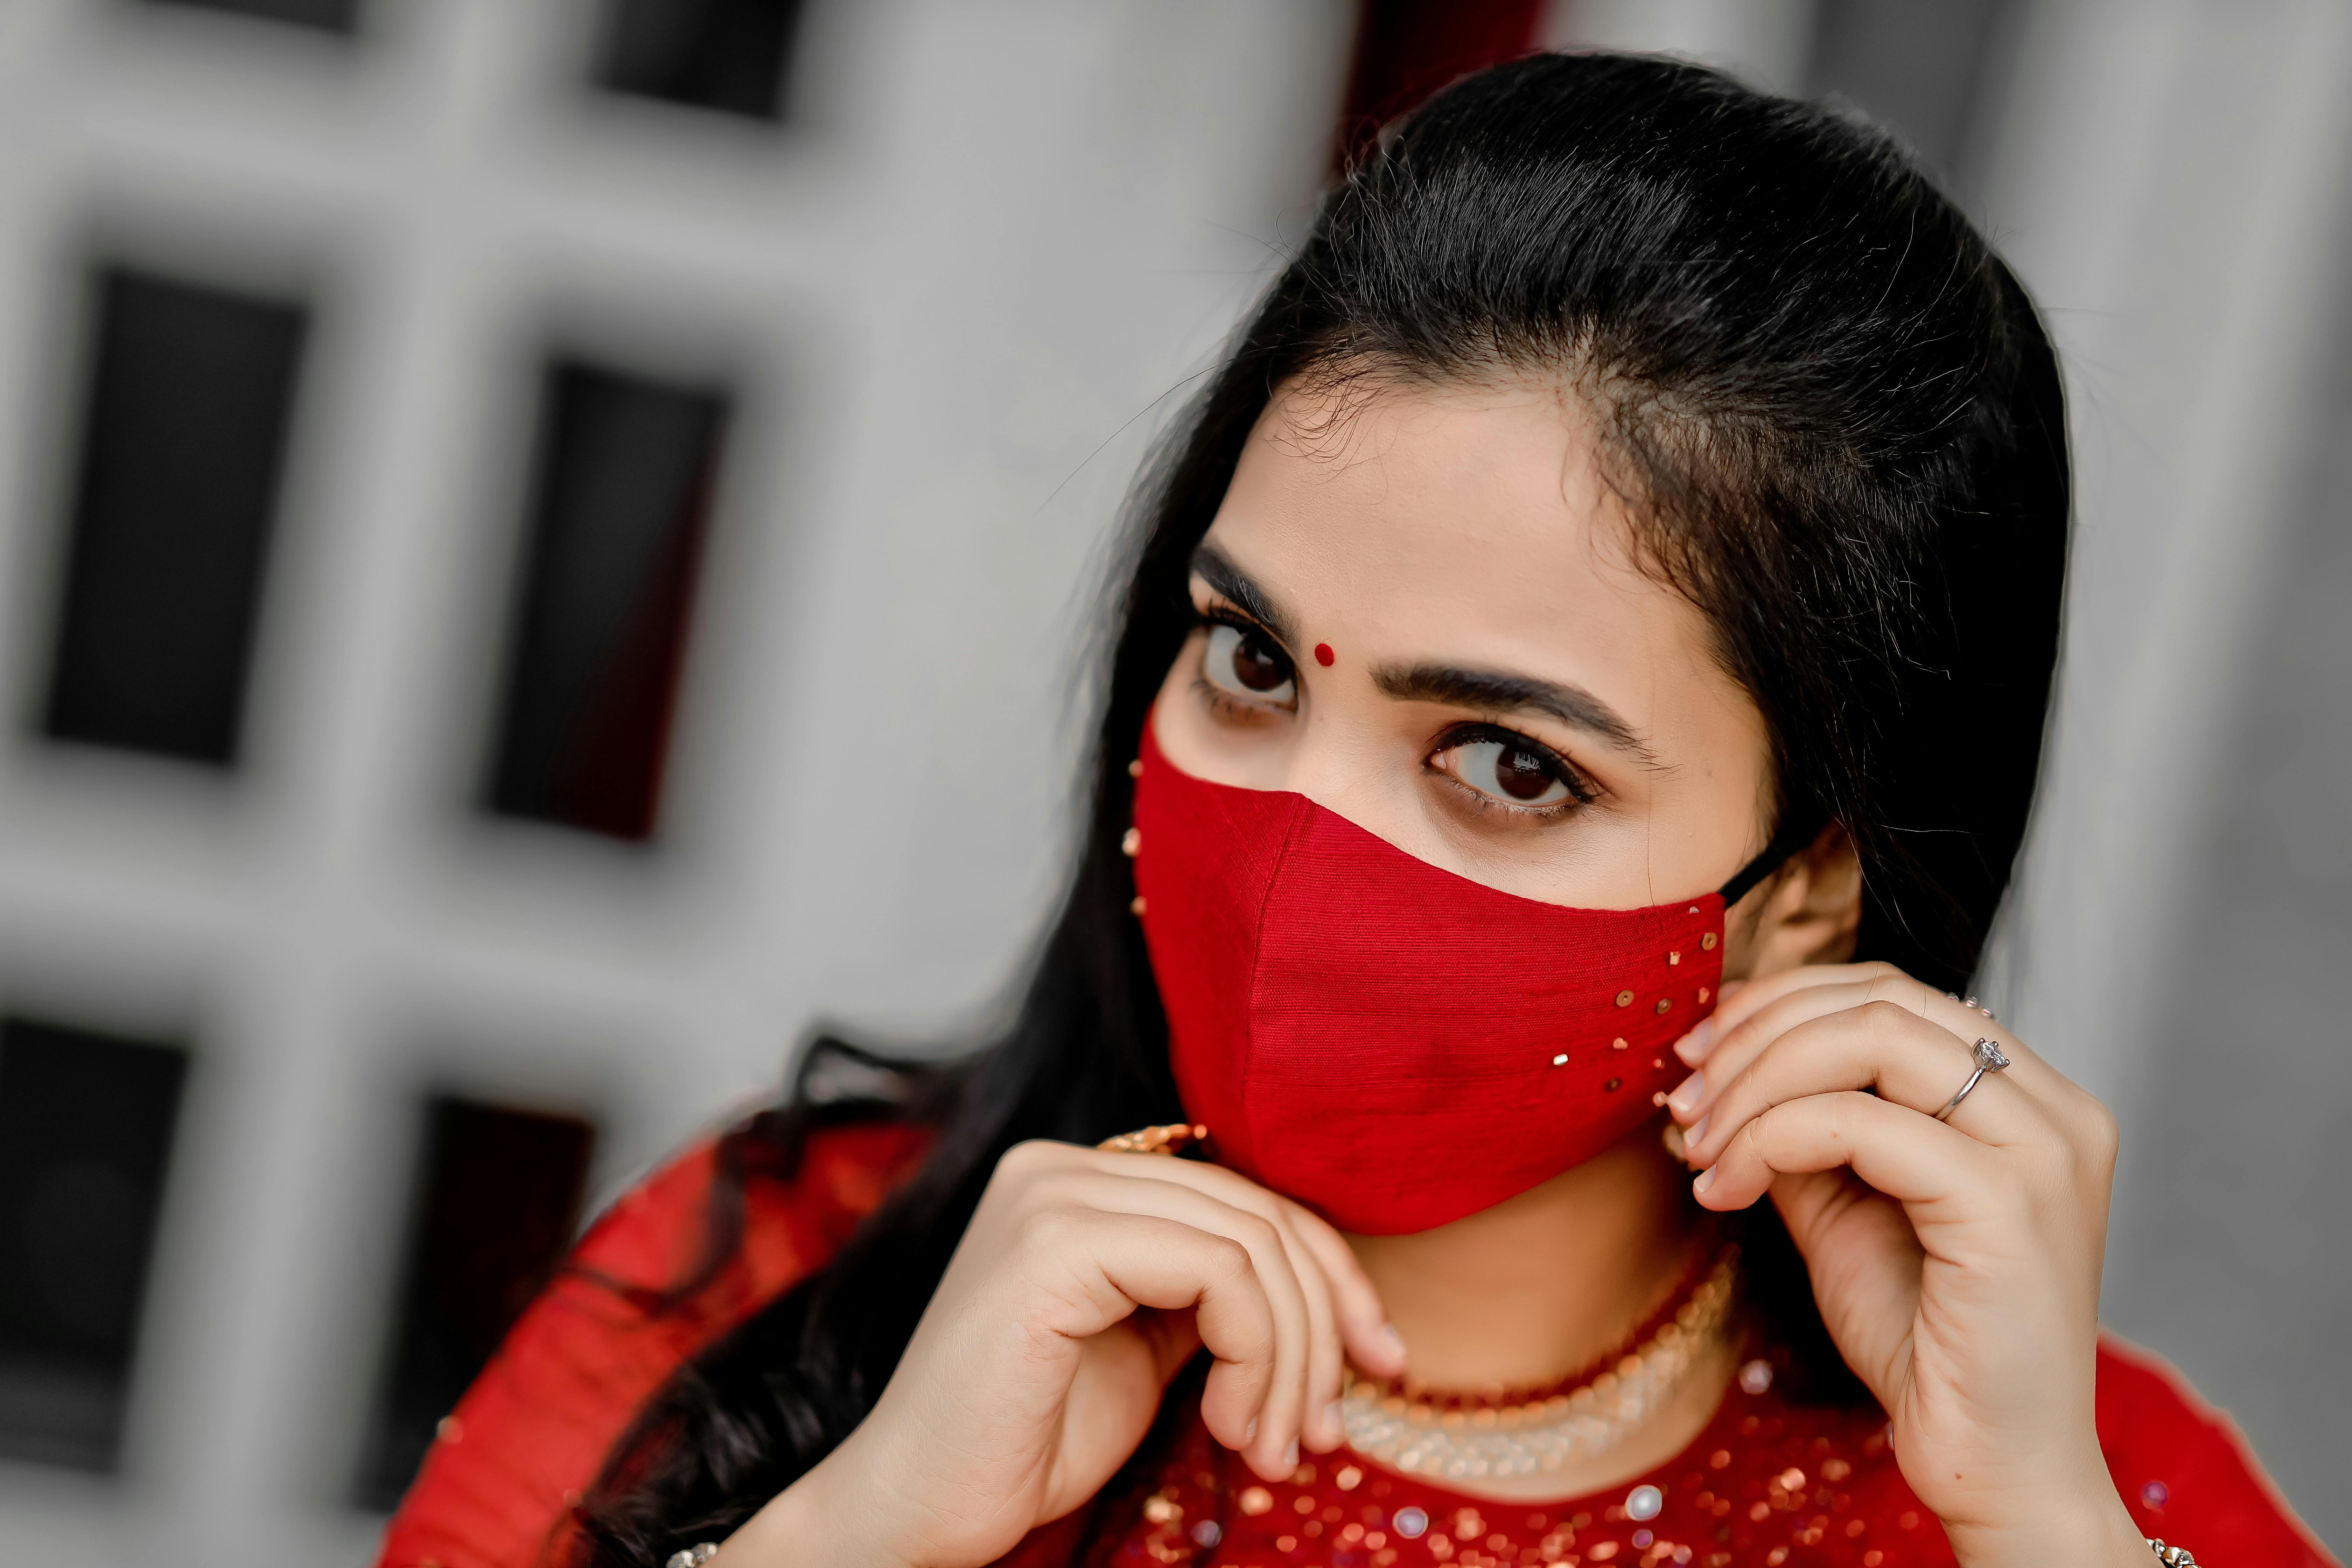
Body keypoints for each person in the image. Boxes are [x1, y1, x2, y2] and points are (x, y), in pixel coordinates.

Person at [377, 53, 2334, 1568]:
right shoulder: (790, 1284)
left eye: (1510, 764)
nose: (1299, 854)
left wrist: (2043, 1526)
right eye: (1250, 660)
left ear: (1810, 886)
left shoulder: (2071, 1487)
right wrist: (863, 1530)